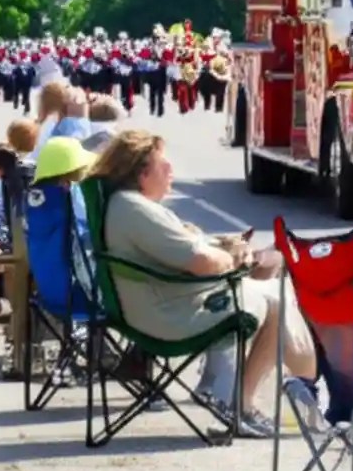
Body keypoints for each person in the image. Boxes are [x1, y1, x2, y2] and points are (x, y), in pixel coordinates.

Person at [90, 129, 318, 437]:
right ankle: (265, 399)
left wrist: (224, 248)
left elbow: (183, 250)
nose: (171, 169)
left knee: (276, 291)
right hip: (167, 314)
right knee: (276, 301)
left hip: (167, 300)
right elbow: (201, 262)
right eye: (162, 165)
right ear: (141, 174)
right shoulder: (133, 208)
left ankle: (304, 385)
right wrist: (236, 258)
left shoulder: (131, 205)